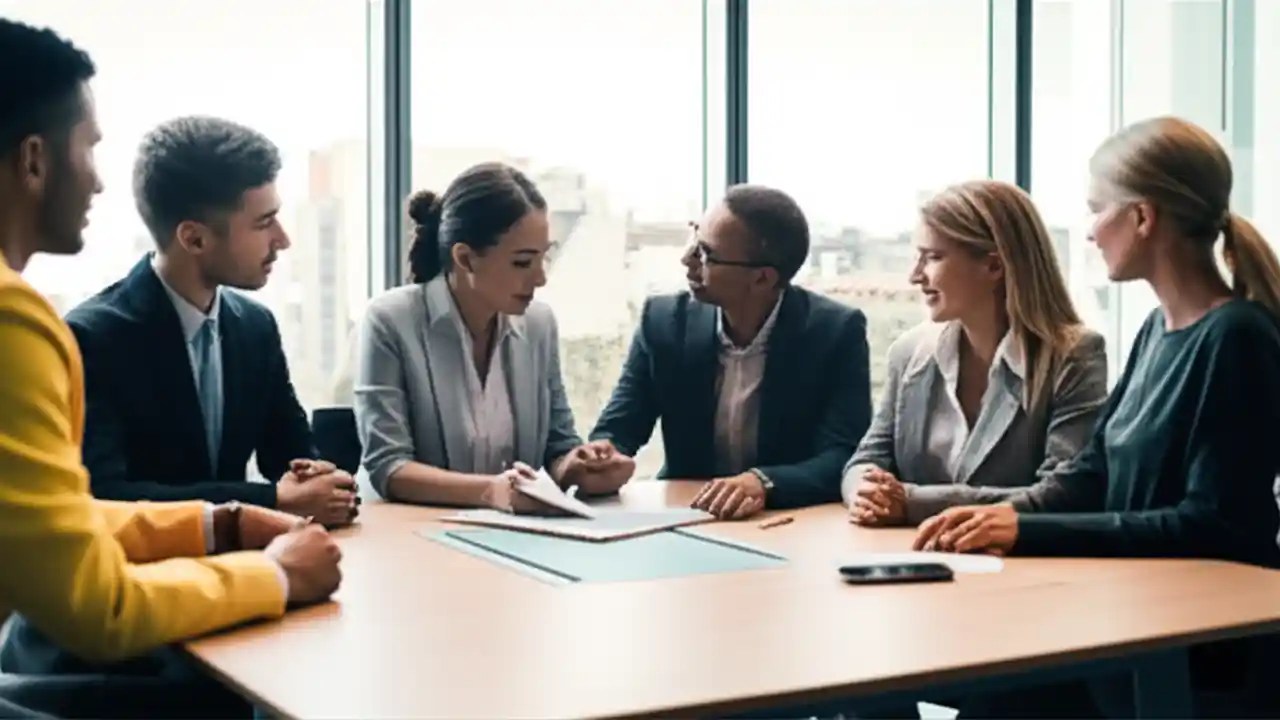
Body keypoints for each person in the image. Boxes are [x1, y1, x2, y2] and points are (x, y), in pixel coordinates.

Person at [0, 18, 341, 718]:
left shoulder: (255, 327)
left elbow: (59, 519)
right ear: (34, 160)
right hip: (80, 661)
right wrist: (271, 575)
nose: (97, 181)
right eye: (88, 149)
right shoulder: (21, 323)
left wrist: (224, 523)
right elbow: (98, 605)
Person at [915, 117, 1280, 716]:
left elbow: (1213, 522)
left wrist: (1025, 531)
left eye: (1097, 210)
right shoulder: (1155, 332)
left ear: (1142, 218)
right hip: (1138, 617)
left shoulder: (1235, 337)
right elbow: (1093, 475)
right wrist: (993, 517)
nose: (1089, 232)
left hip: (1205, 651)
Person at [63, 116, 357, 525]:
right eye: (263, 222)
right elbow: (109, 496)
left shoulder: (256, 327)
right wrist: (269, 501)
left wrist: (322, 481)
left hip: (254, 563)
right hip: (148, 574)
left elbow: (293, 457)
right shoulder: (93, 338)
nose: (283, 240)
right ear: (194, 239)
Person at [354, 162, 633, 512]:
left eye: (544, 258)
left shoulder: (538, 324)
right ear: (466, 259)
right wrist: (492, 492)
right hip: (411, 538)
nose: (540, 279)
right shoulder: (390, 320)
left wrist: (578, 467)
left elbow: (557, 447)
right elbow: (389, 467)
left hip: (512, 539)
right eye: (522, 263)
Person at [590, 184, 871, 520]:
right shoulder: (664, 321)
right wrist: (600, 455)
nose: (687, 259)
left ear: (763, 279)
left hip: (788, 521)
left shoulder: (835, 331)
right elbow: (620, 427)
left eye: (705, 253)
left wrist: (763, 482)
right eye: (693, 237)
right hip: (686, 514)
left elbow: (843, 455)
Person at [842, 180, 1107, 527]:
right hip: (910, 556)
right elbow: (867, 460)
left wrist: (912, 502)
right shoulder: (908, 353)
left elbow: (1063, 494)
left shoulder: (1073, 356)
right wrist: (864, 490)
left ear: (994, 267)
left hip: (1022, 569)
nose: (915, 276)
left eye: (933, 257)